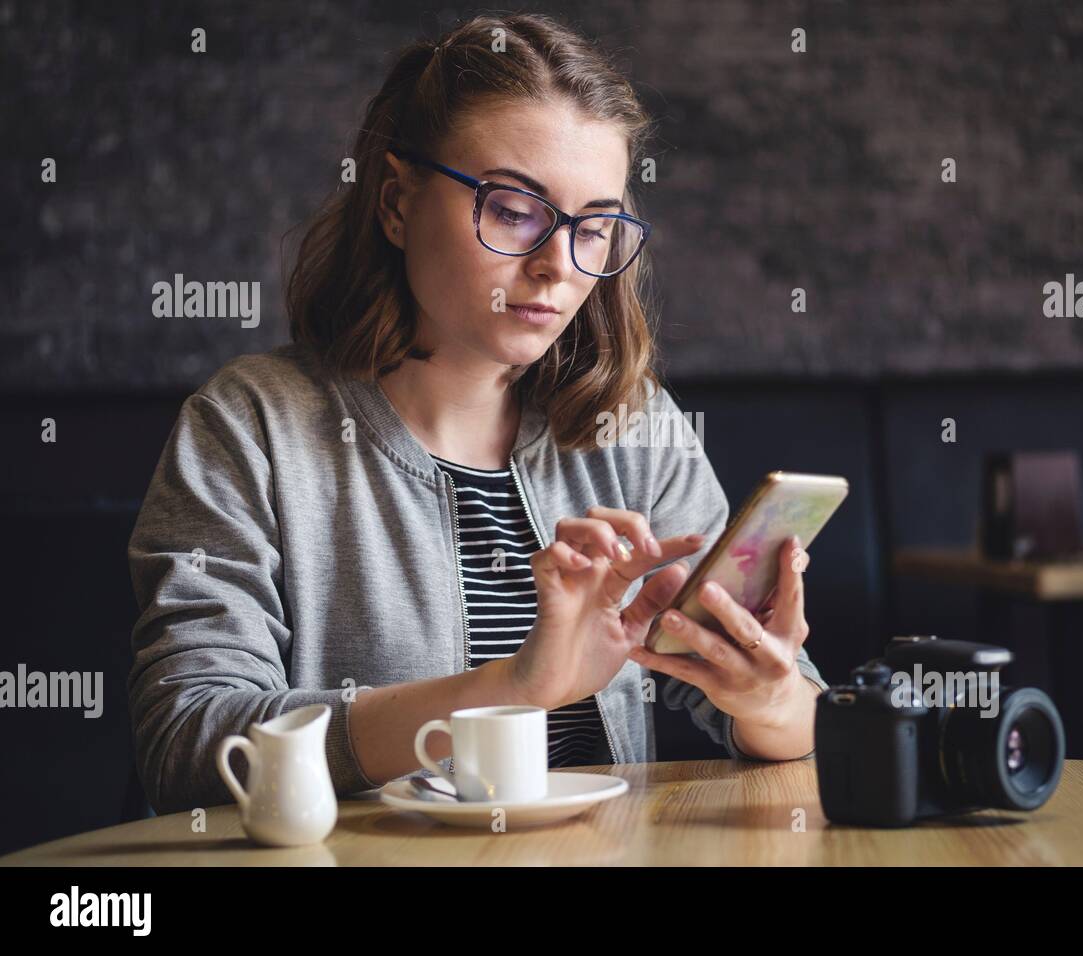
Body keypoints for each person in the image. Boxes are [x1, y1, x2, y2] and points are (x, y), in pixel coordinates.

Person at [127, 12, 829, 816]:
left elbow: (798, 717)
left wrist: (767, 695)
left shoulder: (634, 427)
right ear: (395, 202)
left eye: (594, 227)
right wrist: (509, 689)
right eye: (512, 209)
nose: (557, 267)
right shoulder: (249, 428)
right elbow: (188, 745)